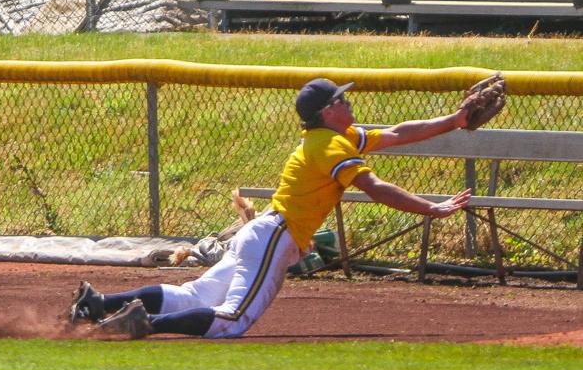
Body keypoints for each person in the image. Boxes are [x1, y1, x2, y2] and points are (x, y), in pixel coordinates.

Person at [70, 78, 473, 339]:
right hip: (273, 238)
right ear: (325, 112)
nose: (349, 102)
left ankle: (99, 304)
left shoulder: (339, 135)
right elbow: (375, 186)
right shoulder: (328, 144)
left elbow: (400, 132)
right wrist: (431, 210)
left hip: (264, 232)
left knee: (193, 295)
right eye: (341, 99)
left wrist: (455, 120)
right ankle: (143, 324)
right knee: (231, 320)